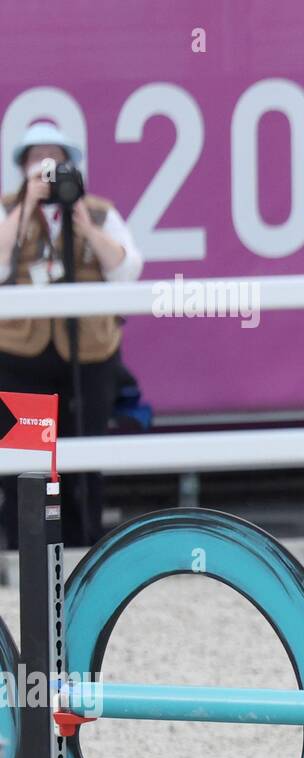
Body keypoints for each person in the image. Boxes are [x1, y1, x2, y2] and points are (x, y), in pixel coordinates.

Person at [0, 121, 143, 547]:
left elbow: (126, 269)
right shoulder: (8, 209)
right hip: (19, 357)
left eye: (55, 158)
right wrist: (25, 210)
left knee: (86, 454)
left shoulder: (98, 210)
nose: (46, 168)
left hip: (90, 356)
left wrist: (84, 226)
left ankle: (85, 542)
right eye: (36, 158)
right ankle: (23, 543)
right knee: (24, 457)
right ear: (22, 167)